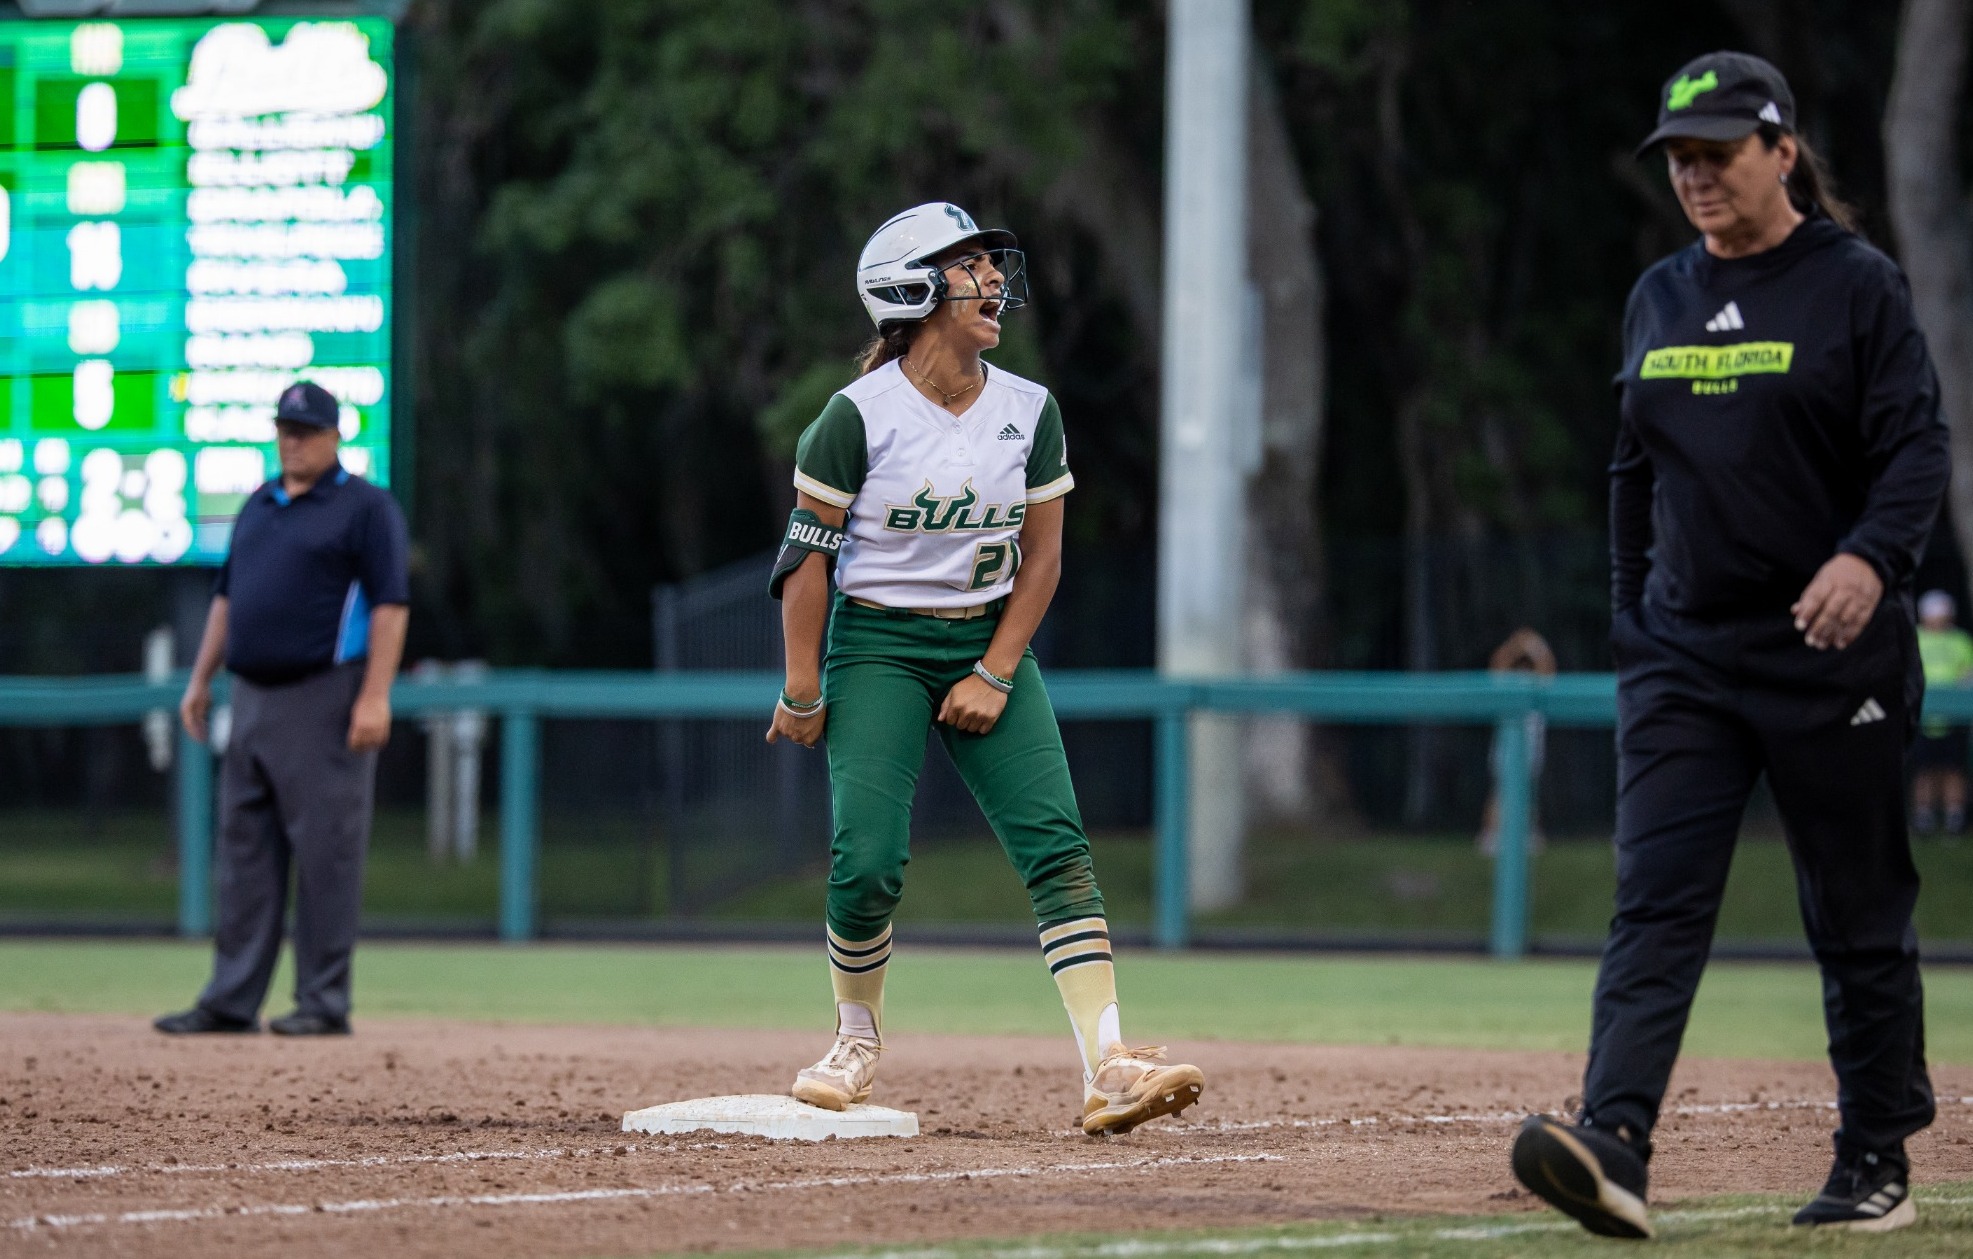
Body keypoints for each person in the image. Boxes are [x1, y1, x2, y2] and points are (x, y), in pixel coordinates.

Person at [1510, 52, 1947, 1236]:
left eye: (1716, 151)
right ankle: (1615, 1141)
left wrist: (1867, 559)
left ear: (1779, 150)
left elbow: (1913, 452)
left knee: (1853, 911)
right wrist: (1627, 619)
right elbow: (1628, 469)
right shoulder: (1657, 293)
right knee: (1652, 899)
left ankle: (1872, 1157)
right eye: (1680, 157)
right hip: (1682, 656)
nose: (1695, 174)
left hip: (1827, 654)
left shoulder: (1854, 287)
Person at [766, 202, 1204, 1135]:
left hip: (986, 639)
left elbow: (1041, 558)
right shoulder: (853, 418)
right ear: (908, 288)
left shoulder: (1029, 407)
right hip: (878, 642)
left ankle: (1108, 1064)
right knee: (868, 859)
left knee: (1057, 846)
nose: (992, 279)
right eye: (966, 265)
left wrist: (997, 670)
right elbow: (807, 561)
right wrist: (803, 687)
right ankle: (854, 1035)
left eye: (989, 265)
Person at [155, 380, 410, 1037]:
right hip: (252, 696)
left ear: (333, 436)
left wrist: (375, 693)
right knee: (243, 853)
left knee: (326, 851)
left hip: (325, 695)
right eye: (284, 429)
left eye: (304, 431)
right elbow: (226, 599)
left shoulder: (364, 507)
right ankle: (230, 999)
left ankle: (323, 1001)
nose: (291, 441)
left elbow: (390, 603)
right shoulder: (259, 505)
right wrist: (200, 677)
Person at [1477, 627, 1555, 854]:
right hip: (1507, 748)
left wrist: (1534, 645)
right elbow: (1497, 665)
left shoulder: (1538, 688)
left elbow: (1548, 667)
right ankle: (1490, 835)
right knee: (1501, 791)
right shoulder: (1505, 686)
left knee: (1528, 792)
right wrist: (1515, 645)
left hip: (1532, 748)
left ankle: (1529, 834)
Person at [1910, 589, 1973, 833]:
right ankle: (1924, 817)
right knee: (1923, 769)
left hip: (1954, 717)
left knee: (1953, 768)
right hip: (1921, 717)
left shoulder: (1960, 641)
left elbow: (1967, 673)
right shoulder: (1914, 638)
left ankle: (1954, 817)